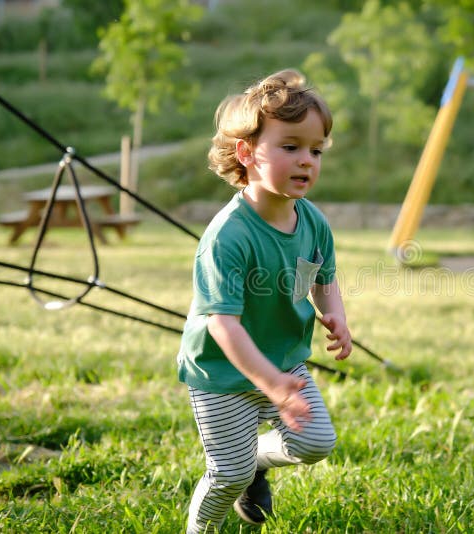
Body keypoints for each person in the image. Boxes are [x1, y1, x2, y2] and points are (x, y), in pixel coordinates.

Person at [176, 69, 352, 533]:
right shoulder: (228, 237)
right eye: (290, 146)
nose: (306, 161)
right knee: (227, 474)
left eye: (316, 150)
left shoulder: (313, 223)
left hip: (283, 362)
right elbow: (223, 325)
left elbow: (323, 277)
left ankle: (257, 460)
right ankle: (201, 528)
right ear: (246, 153)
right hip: (222, 370)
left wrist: (335, 313)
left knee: (315, 443)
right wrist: (269, 384)